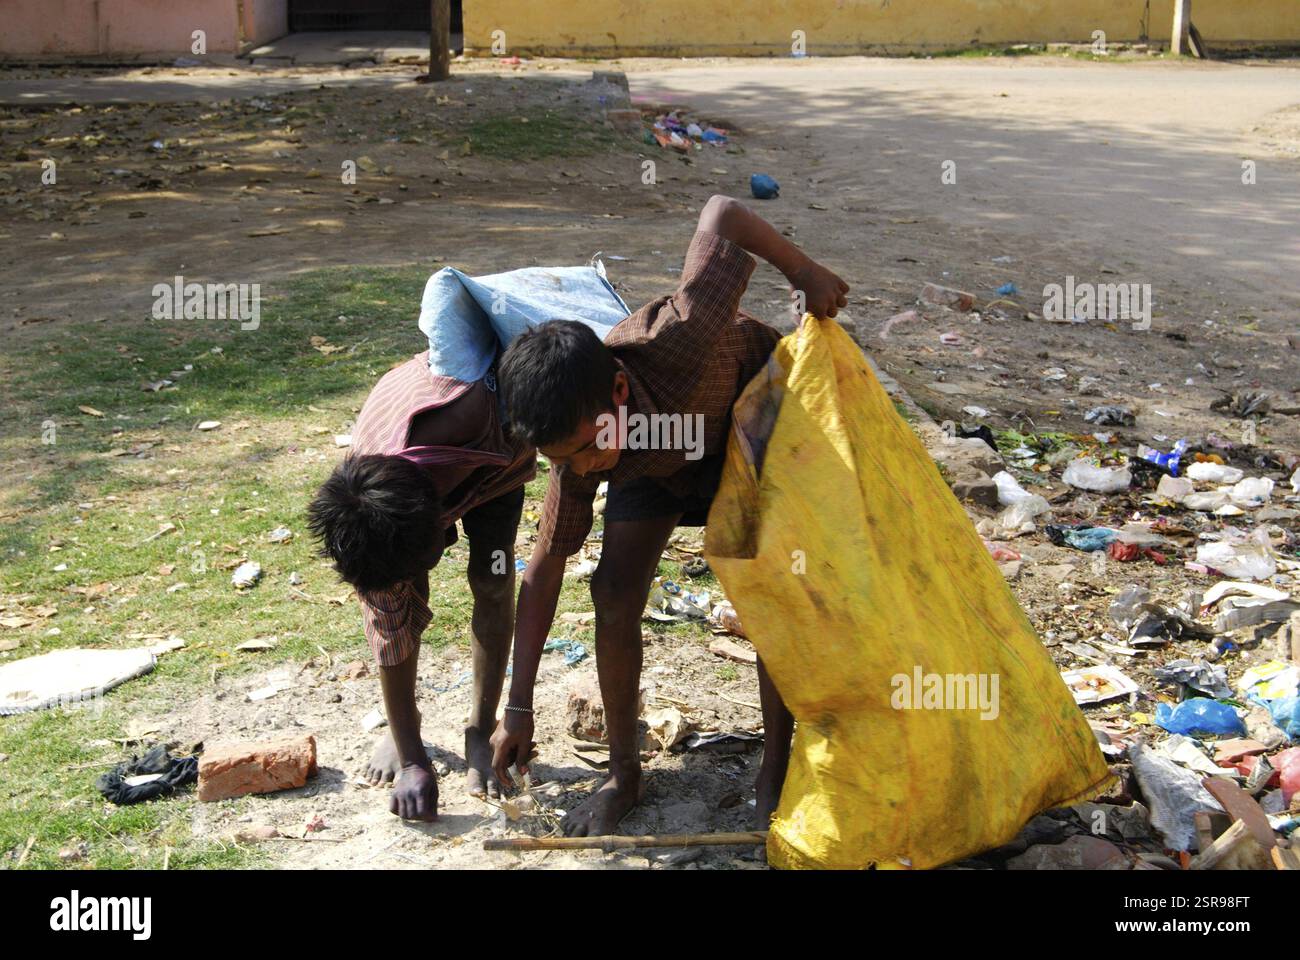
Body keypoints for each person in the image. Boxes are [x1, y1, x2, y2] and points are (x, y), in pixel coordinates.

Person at [489, 194, 849, 836]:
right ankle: (623, 776)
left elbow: (723, 213)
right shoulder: (583, 452)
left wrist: (805, 273)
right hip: (655, 463)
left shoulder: (680, 338)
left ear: (620, 392)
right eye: (561, 459)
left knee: (765, 587)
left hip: (753, 431)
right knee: (612, 592)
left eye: (583, 450)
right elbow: (542, 571)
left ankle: (776, 769)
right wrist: (516, 708)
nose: (578, 469)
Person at [307, 352, 533, 822]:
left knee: (492, 578)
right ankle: (404, 728)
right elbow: (389, 626)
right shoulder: (371, 518)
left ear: (440, 527)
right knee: (402, 600)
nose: (408, 581)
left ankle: (479, 727)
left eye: (416, 565)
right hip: (416, 471)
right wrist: (413, 759)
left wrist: (493, 721)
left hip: (498, 465)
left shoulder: (485, 417)